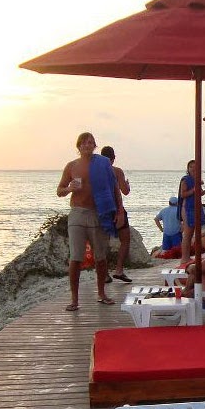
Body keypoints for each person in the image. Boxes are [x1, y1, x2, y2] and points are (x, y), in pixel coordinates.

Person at [56, 131, 124, 311]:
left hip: (99, 213)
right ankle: (74, 299)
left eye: (91, 142)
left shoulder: (103, 164)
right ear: (78, 146)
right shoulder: (71, 166)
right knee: (76, 258)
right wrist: (69, 188)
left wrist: (119, 211)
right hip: (78, 214)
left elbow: (115, 188)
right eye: (84, 142)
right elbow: (59, 190)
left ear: (95, 146)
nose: (87, 145)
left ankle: (102, 294)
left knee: (100, 257)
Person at [101, 146, 132, 283]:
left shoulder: (96, 171)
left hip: (101, 210)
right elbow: (125, 191)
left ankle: (105, 273)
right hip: (117, 209)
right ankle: (119, 269)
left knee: (103, 243)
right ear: (113, 158)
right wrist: (126, 184)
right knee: (125, 240)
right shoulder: (117, 171)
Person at [177, 159, 205, 261]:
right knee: (187, 235)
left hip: (197, 207)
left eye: (195, 167)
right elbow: (183, 194)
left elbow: (198, 193)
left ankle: (191, 256)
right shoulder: (185, 179)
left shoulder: (197, 180)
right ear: (188, 169)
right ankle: (185, 258)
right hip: (188, 208)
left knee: (194, 233)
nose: (193, 168)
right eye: (191, 167)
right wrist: (194, 188)